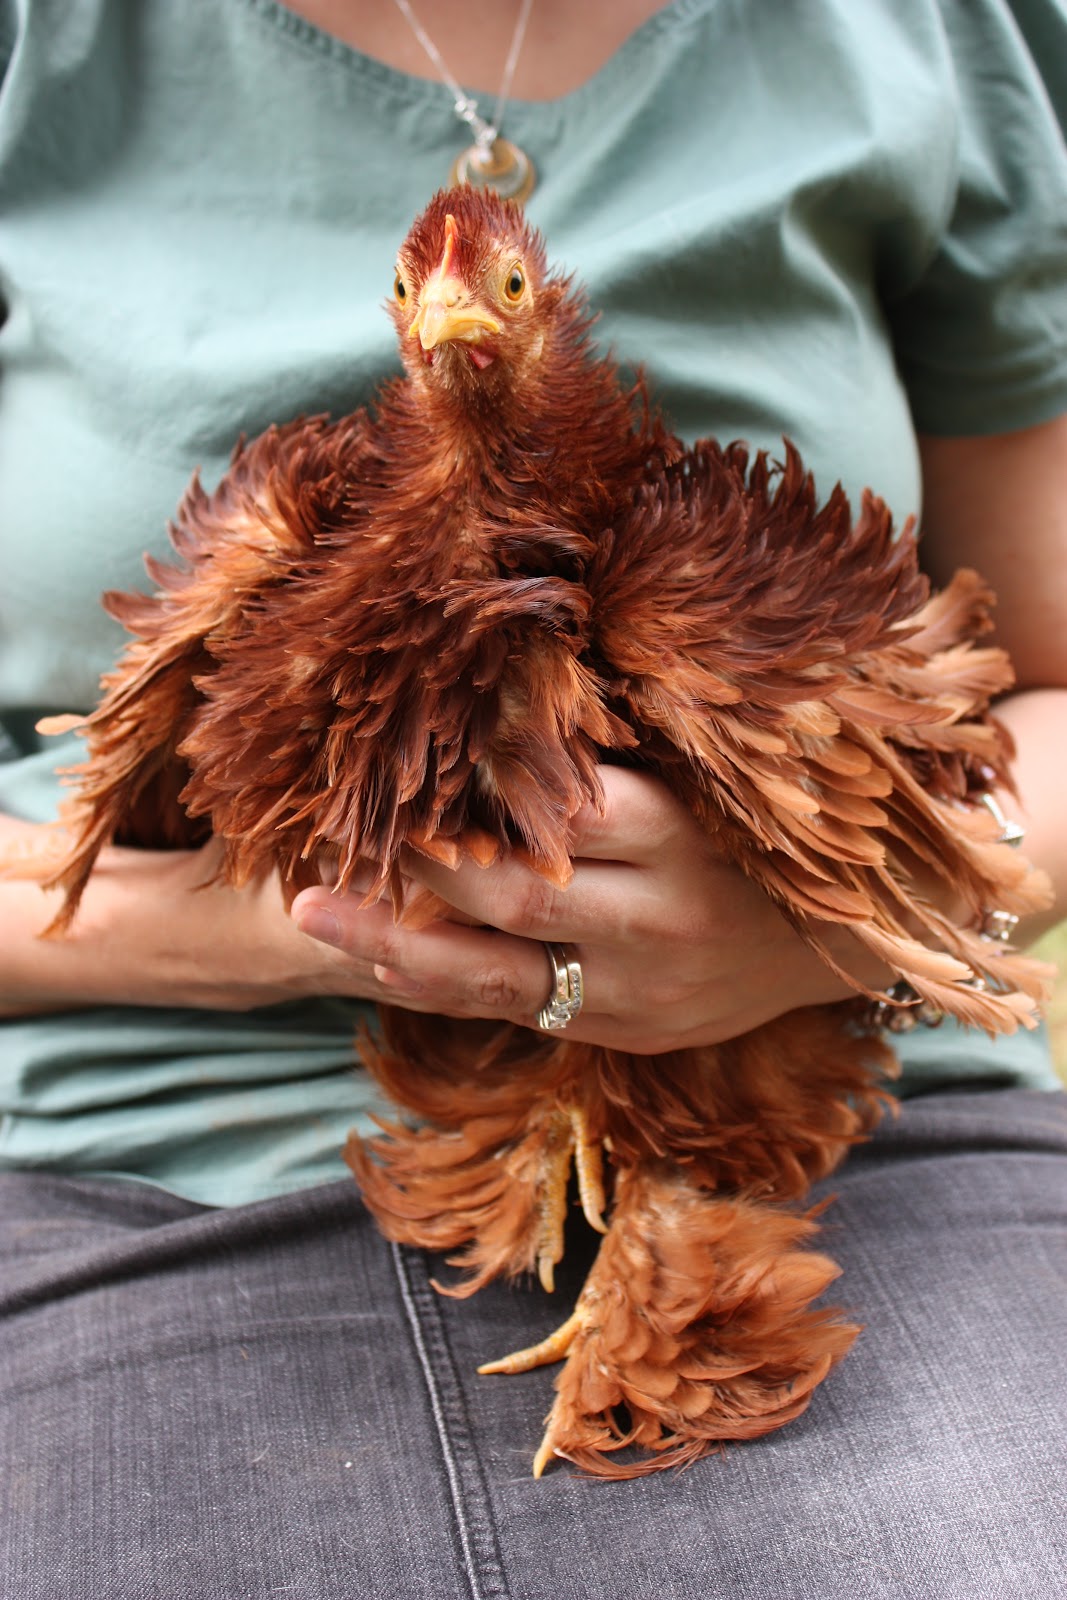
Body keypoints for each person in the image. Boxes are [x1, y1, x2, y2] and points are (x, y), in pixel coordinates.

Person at [1, 2, 1065, 1595]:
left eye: (495, 294)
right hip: (150, 1131)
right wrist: (307, 930)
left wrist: (843, 917)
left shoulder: (920, 31)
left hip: (835, 1102)